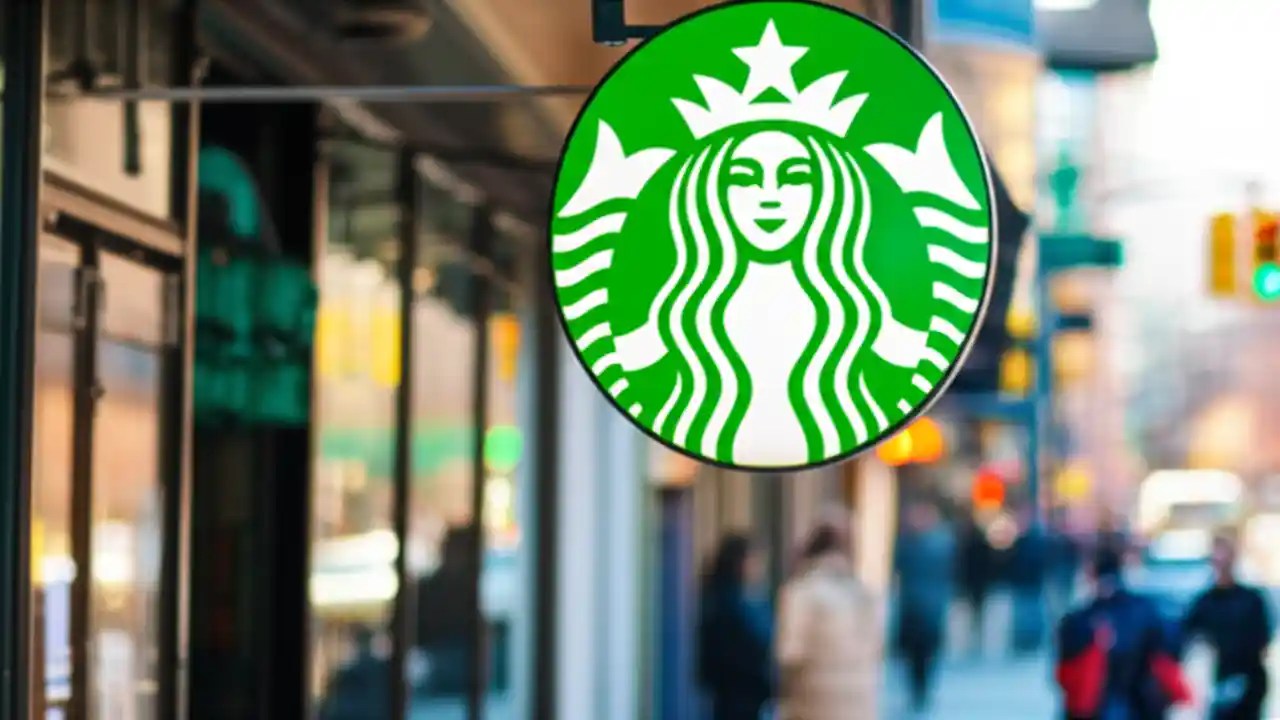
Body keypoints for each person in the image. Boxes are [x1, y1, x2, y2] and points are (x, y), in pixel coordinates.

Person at [1055, 545, 1192, 720]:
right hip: (1139, 702)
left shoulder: (1080, 619)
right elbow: (1170, 650)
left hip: (1098, 706)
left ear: (1091, 575)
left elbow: (1063, 674)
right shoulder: (1145, 610)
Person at [776, 522, 881, 720]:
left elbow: (789, 652)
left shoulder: (801, 592)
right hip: (859, 702)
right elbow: (877, 648)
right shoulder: (864, 594)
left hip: (814, 702)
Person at [1183, 535, 1274, 720]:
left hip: (1250, 680)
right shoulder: (1205, 602)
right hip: (1221, 679)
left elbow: (1263, 638)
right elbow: (1188, 636)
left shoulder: (1251, 599)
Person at [698, 534, 775, 720]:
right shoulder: (727, 606)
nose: (758, 569)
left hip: (746, 698)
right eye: (753, 561)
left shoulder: (755, 601)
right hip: (737, 698)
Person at [893, 500, 955, 715]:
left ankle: (922, 689)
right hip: (914, 608)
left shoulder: (935, 544)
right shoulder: (910, 544)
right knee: (914, 653)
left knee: (925, 652)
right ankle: (918, 689)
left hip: (928, 609)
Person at [1009, 518, 1049, 655]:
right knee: (1028, 614)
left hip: (1027, 584)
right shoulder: (1034, 545)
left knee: (1027, 615)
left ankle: (1026, 641)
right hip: (1028, 584)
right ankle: (1028, 641)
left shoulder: (1022, 545)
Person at [958, 515, 995, 657]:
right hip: (979, 582)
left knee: (973, 609)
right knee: (978, 609)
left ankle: (974, 634)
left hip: (973, 581)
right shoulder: (980, 544)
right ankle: (977, 633)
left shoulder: (967, 544)